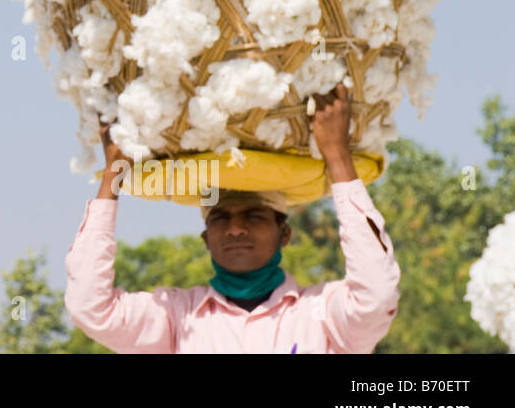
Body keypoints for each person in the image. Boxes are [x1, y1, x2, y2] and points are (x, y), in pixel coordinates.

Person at [65, 83, 400, 353]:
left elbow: (377, 294)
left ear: (284, 233)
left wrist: (338, 158)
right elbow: (89, 307)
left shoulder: (323, 314)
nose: (236, 229)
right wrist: (113, 175)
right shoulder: (176, 318)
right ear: (205, 238)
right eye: (220, 218)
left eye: (254, 216)